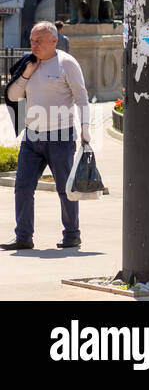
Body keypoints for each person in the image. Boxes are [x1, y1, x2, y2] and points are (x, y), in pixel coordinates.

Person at [3, 21, 90, 250]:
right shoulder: (28, 63)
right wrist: (26, 74)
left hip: (60, 136)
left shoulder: (67, 63)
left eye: (39, 41)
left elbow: (82, 98)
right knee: (22, 186)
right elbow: (12, 94)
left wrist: (85, 128)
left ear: (54, 40)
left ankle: (72, 234)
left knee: (65, 188)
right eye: (32, 40)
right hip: (32, 137)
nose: (34, 45)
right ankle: (23, 237)